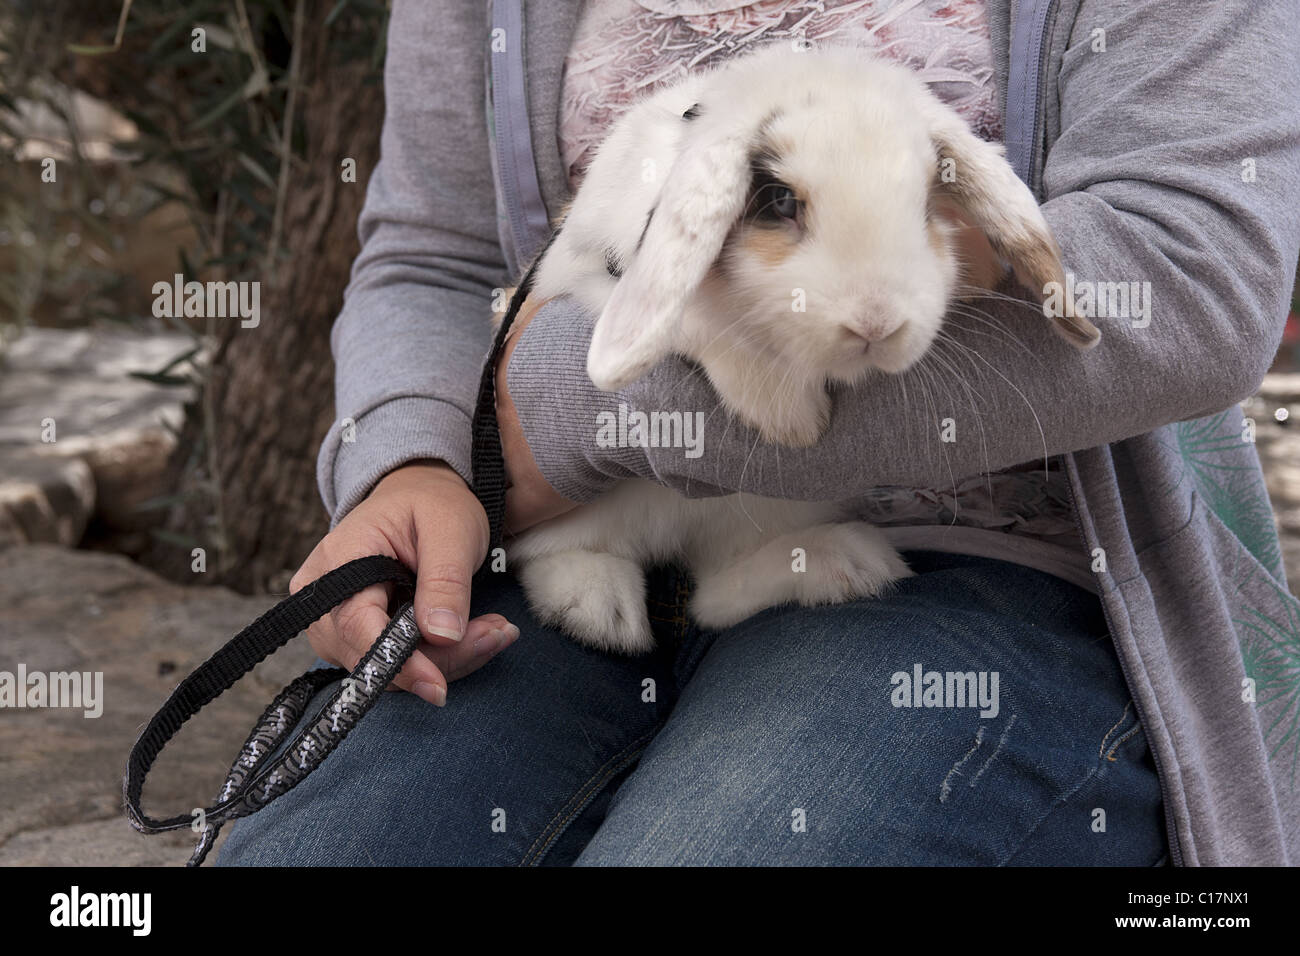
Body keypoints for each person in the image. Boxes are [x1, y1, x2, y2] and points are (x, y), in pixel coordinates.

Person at [217, 0, 1300, 866]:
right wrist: (405, 461)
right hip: (586, 535)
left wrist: (565, 416)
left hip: (987, 561)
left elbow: (1187, 275)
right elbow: (430, 253)